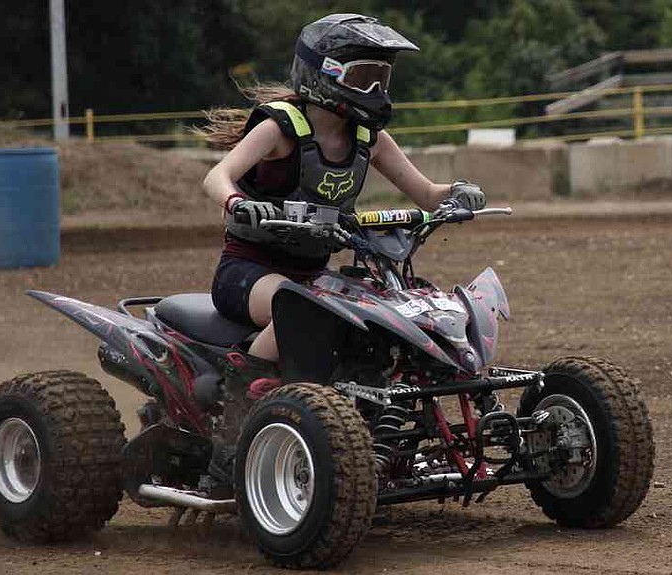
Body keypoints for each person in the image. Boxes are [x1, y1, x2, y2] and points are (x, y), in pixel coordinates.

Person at [200, 13, 486, 481]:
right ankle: (232, 436)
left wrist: (457, 194)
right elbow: (217, 176)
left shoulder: (368, 138)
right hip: (247, 271)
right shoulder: (280, 129)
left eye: (382, 77)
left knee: (378, 317)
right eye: (363, 77)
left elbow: (427, 193)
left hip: (315, 276)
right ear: (323, 74)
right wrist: (237, 204)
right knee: (294, 305)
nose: (375, 89)